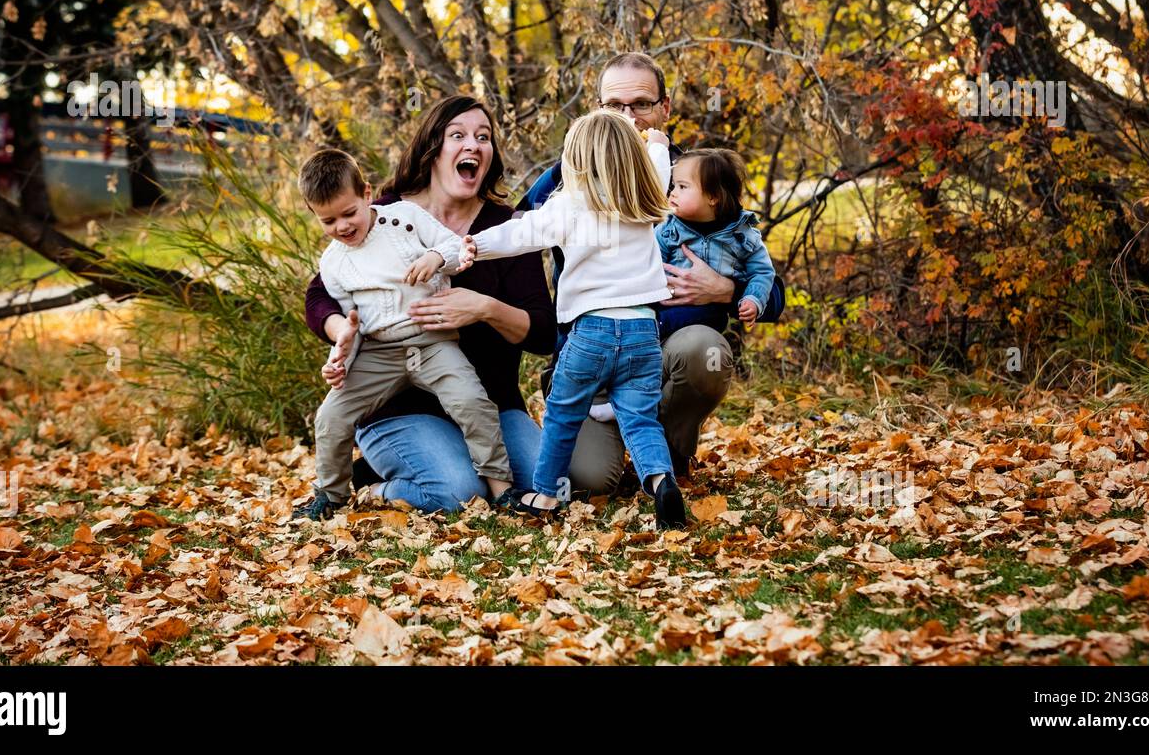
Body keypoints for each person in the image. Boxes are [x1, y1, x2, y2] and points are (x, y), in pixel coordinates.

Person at [518, 52, 785, 493]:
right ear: (596, 108)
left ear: (665, 107)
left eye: (641, 104)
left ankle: (670, 454)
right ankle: (616, 441)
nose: (628, 118)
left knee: (706, 353)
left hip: (664, 355)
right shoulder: (567, 177)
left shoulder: (696, 176)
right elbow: (513, 240)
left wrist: (725, 290)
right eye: (614, 106)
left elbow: (771, 288)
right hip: (592, 360)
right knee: (590, 479)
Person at [298, 95, 555, 517]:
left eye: (483, 137)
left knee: (547, 482)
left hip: (476, 387)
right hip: (397, 400)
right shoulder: (376, 215)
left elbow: (544, 332)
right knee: (457, 493)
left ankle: (495, 481)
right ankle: (356, 489)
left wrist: (484, 307)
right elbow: (323, 296)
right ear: (433, 149)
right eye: (459, 135)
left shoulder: (507, 229)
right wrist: (338, 338)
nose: (473, 145)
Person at [463, 110, 687, 529]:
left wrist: (475, 244)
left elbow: (520, 233)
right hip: (642, 330)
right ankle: (661, 481)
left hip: (591, 332)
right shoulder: (644, 194)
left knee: (564, 414)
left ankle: (545, 495)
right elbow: (658, 166)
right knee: (640, 417)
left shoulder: (569, 204)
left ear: (575, 160)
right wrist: (656, 142)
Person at [589, 147, 776, 423]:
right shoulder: (669, 228)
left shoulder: (742, 234)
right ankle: (619, 389)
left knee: (661, 338)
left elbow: (763, 273)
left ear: (713, 197)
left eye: (682, 187)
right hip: (661, 306)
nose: (671, 193)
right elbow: (648, 261)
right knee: (643, 333)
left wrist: (750, 299)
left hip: (704, 316)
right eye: (673, 185)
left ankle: (636, 407)